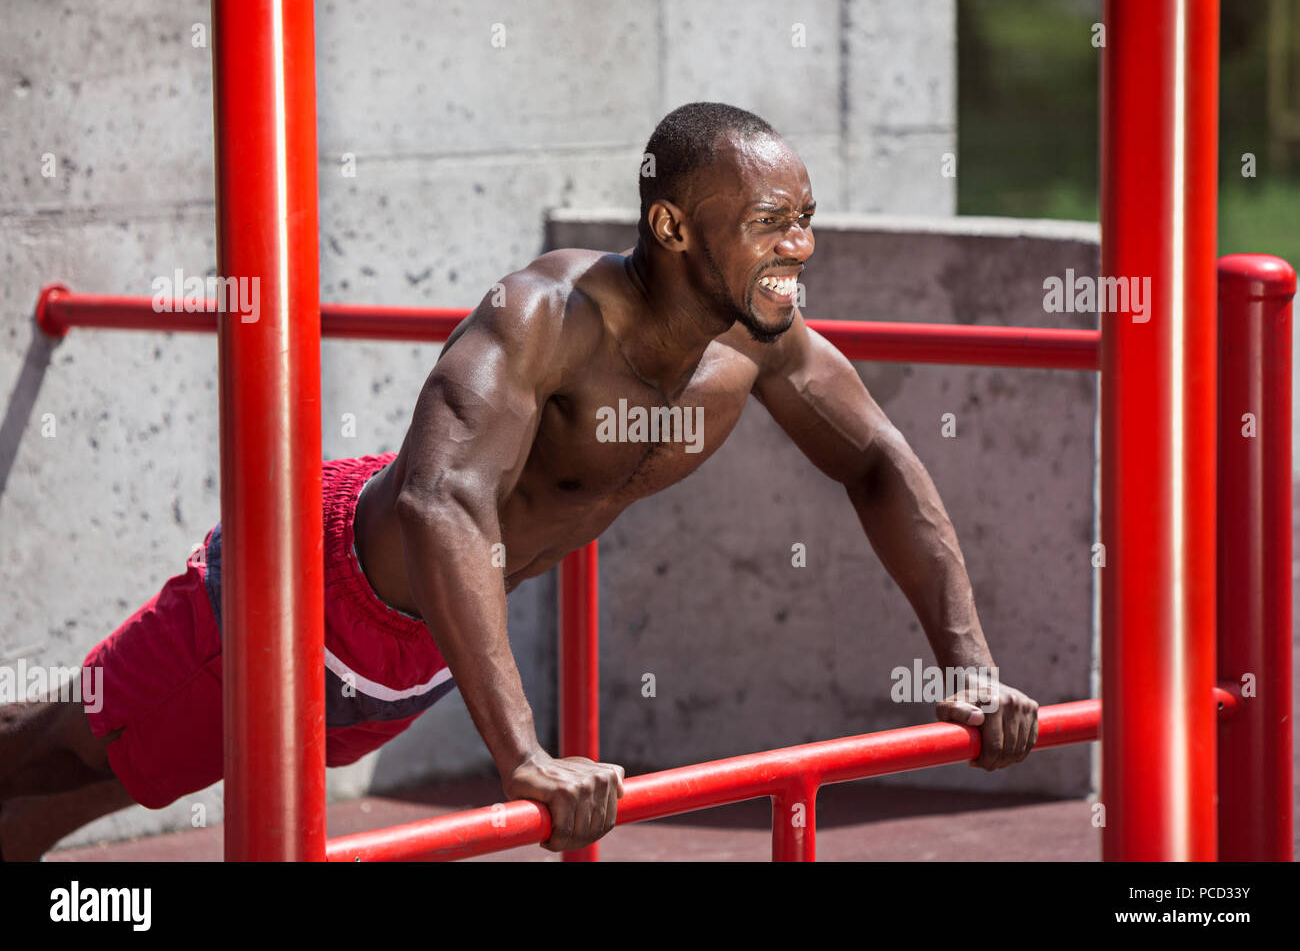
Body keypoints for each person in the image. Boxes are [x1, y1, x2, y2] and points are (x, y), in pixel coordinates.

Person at [0, 102, 1039, 861]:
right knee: (59, 745)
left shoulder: (761, 345)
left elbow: (877, 461)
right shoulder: (545, 315)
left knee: (119, 776)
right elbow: (440, 498)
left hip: (419, 656)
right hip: (304, 593)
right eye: (769, 222)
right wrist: (525, 753)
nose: (797, 248)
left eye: (803, 216)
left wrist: (968, 664)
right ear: (674, 225)